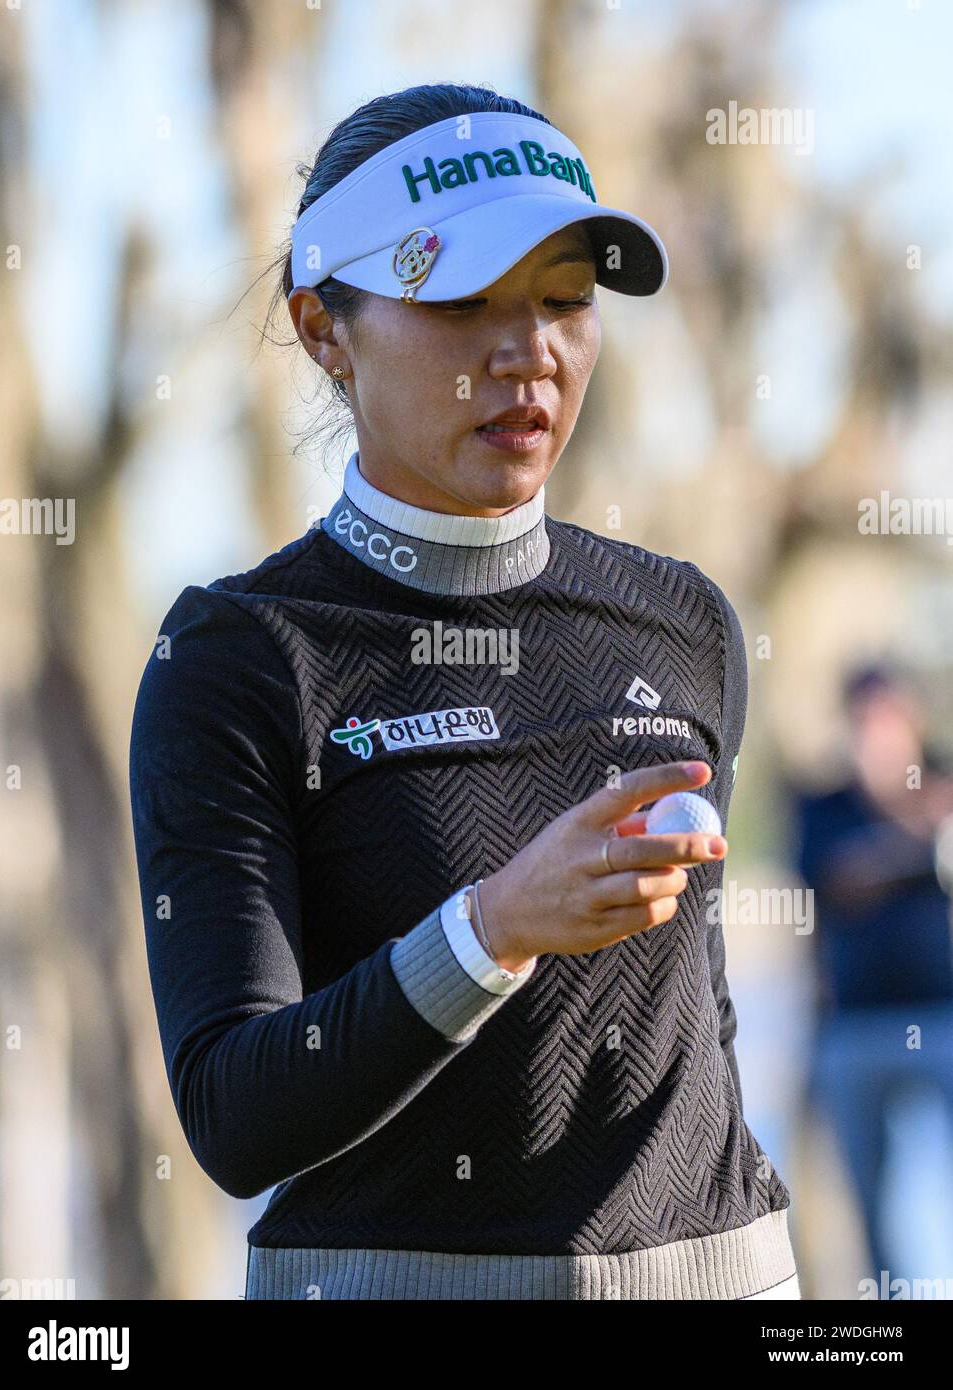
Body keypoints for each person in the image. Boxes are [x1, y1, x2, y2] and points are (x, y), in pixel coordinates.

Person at [128, 82, 799, 1301]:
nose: (528, 350)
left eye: (562, 301)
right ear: (326, 328)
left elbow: (694, 1040)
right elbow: (232, 1114)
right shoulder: (238, 653)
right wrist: (488, 933)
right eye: (464, 302)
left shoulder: (682, 617)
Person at [792, 662, 953, 1287]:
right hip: (853, 1029)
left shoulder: (940, 782)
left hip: (942, 1018)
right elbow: (838, 882)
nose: (876, 732)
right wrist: (914, 836)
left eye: (888, 716)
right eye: (863, 718)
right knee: (869, 1211)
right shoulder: (823, 802)